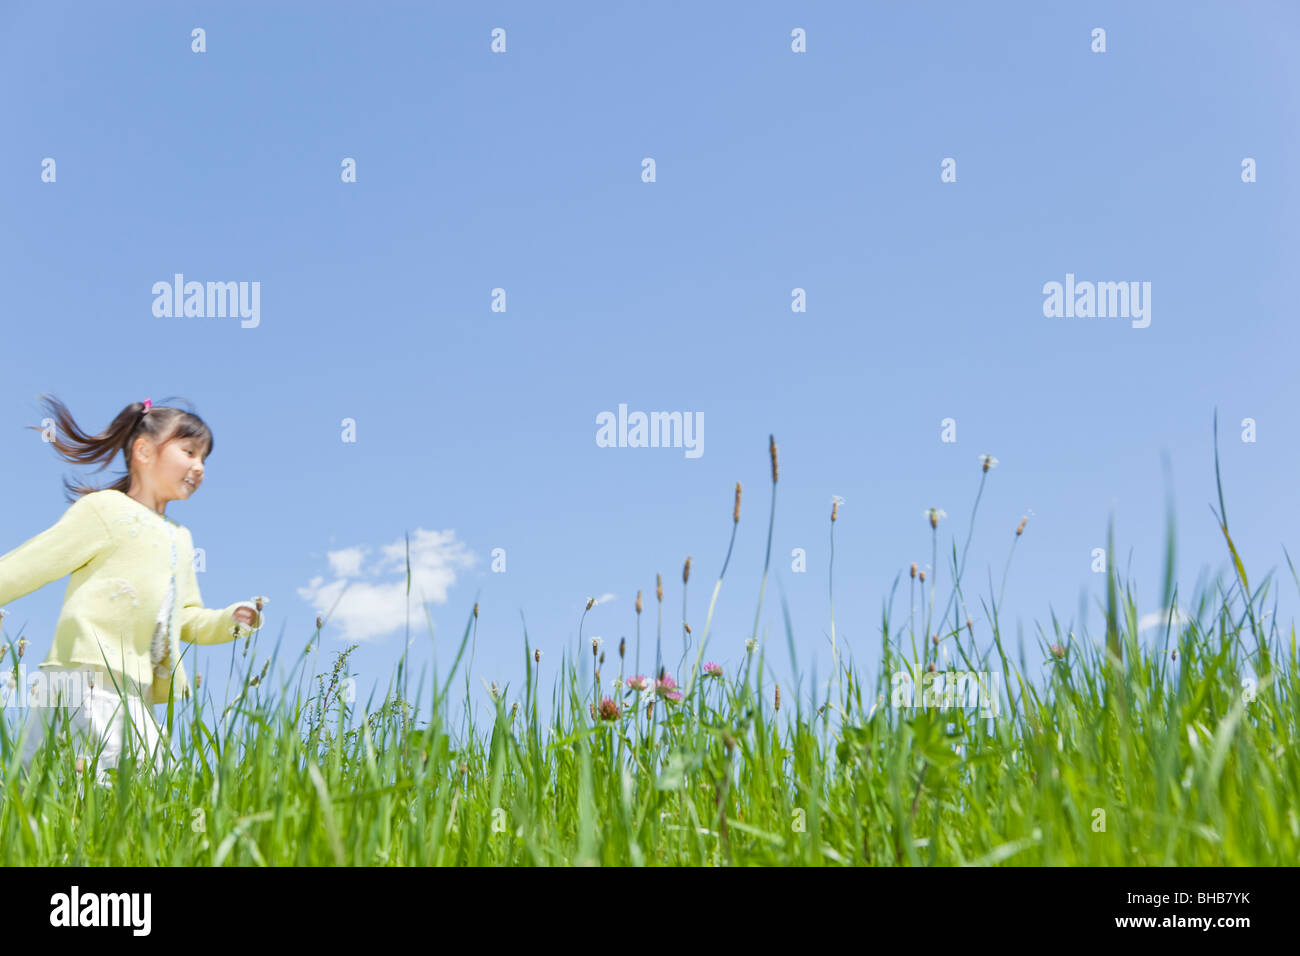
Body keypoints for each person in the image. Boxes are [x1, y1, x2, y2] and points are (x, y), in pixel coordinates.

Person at [0, 395, 266, 786]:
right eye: (189, 451)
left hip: (134, 688)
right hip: (84, 675)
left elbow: (188, 616)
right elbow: (35, 562)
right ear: (143, 450)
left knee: (122, 781)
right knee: (120, 779)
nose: (199, 467)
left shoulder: (180, 537)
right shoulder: (105, 510)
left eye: (204, 458)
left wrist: (232, 620)